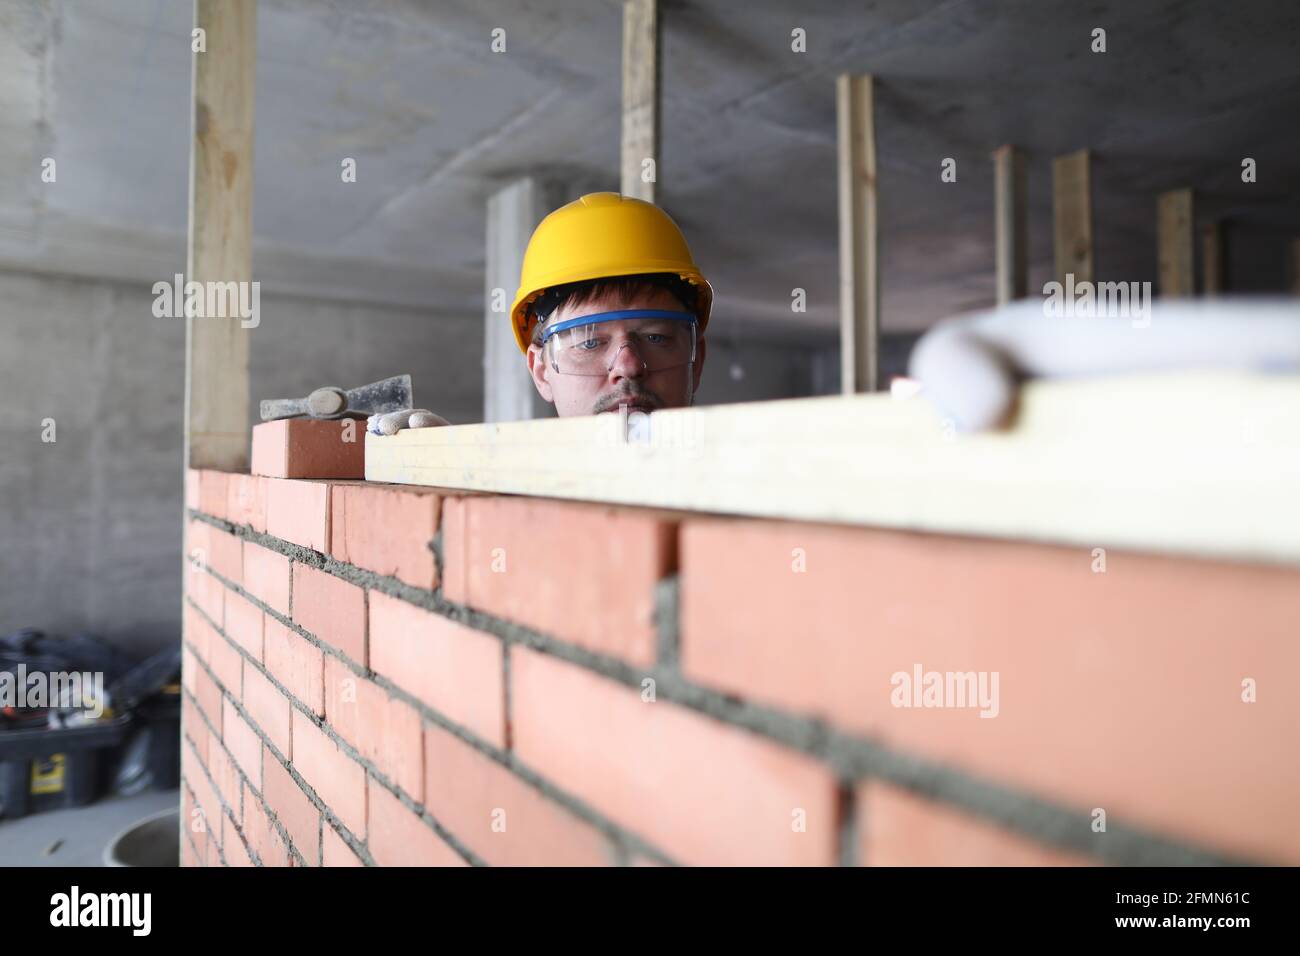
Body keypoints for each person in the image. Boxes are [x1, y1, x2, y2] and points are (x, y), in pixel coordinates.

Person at [369, 191, 712, 435]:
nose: (628, 365)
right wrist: (455, 479)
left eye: (656, 337)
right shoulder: (511, 503)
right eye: (590, 343)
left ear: (695, 363)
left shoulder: (754, 491)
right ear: (542, 371)